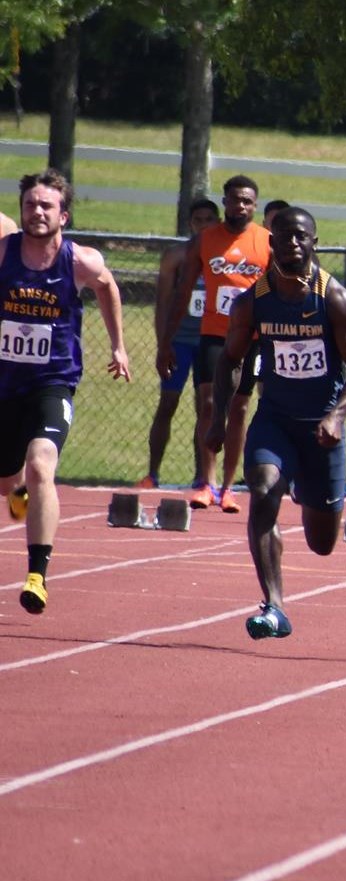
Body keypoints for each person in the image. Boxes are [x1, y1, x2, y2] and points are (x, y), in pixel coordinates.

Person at [220, 208, 346, 639]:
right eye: (284, 236)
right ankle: (274, 605)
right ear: (271, 243)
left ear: (314, 242)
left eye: (300, 236)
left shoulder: (335, 299)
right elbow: (230, 359)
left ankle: (317, 504)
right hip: (275, 420)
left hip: (322, 431)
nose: (292, 243)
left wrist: (337, 415)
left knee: (322, 542)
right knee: (265, 492)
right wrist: (219, 417)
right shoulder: (253, 300)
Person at [2, 169, 131, 613]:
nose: (37, 212)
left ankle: (37, 574)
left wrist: (118, 346)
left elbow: (108, 286)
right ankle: (17, 490)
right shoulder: (4, 254)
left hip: (52, 382)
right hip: (4, 384)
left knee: (41, 464)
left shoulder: (80, 261)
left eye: (46, 206)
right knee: (7, 483)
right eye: (30, 205)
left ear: (64, 214)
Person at [160, 174, 269, 513]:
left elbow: (276, 289)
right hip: (213, 334)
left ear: (255, 205)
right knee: (209, 404)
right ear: (225, 202)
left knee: (238, 407)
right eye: (235, 200)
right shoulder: (206, 240)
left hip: (250, 338)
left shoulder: (266, 242)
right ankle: (205, 483)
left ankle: (228, 486)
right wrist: (166, 342)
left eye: (247, 201)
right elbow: (181, 293)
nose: (240, 206)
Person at [141, 197, 220, 487]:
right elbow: (163, 303)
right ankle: (153, 473)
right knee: (168, 404)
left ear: (217, 222)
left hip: (210, 342)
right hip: (181, 343)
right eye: (198, 220)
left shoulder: (222, 258)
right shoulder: (176, 256)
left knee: (207, 408)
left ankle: (203, 476)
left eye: (209, 219)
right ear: (190, 223)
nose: (203, 225)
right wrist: (163, 343)